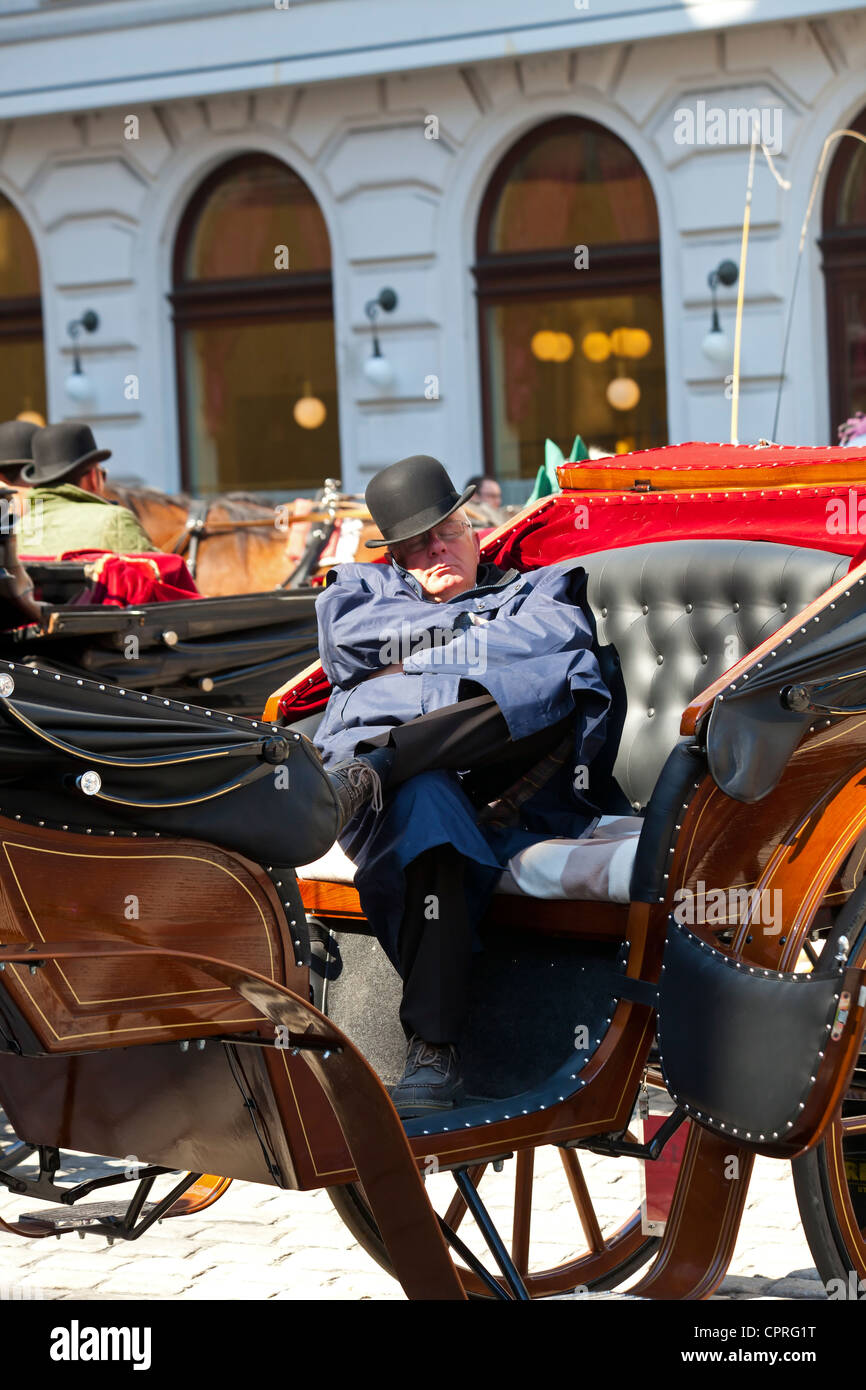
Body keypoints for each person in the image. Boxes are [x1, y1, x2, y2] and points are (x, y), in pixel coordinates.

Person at [317, 455, 618, 1118]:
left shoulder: (539, 589)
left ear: (473, 528)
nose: (434, 551)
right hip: (403, 809)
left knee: (550, 677)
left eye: (445, 533)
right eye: (415, 545)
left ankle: (380, 765)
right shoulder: (362, 593)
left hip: (509, 786)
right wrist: (470, 636)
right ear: (394, 558)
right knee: (428, 802)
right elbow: (347, 643)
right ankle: (433, 1050)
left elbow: (556, 643)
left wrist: (414, 667)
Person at [16, 422, 154, 557]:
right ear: (93, 477)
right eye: (102, 474)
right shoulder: (115, 520)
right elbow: (156, 573)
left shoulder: (18, 529)